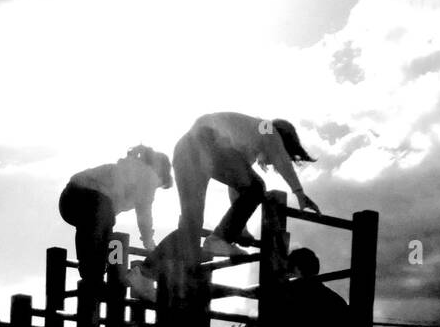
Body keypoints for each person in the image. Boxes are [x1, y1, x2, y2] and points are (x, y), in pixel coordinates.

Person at [172, 113, 320, 264]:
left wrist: (241, 230)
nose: (270, 164)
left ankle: (157, 265)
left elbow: (237, 188)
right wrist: (299, 193)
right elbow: (281, 159)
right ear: (282, 141)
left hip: (184, 148)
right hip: (207, 140)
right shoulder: (266, 127)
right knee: (257, 188)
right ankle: (217, 240)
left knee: (192, 216)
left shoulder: (245, 145)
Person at [58, 145, 173, 287]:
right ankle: (98, 275)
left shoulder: (129, 168)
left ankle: (92, 274)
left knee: (97, 229)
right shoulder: (149, 175)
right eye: (160, 185)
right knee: (105, 227)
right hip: (87, 197)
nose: (155, 189)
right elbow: (144, 212)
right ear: (161, 173)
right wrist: (149, 242)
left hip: (68, 200)